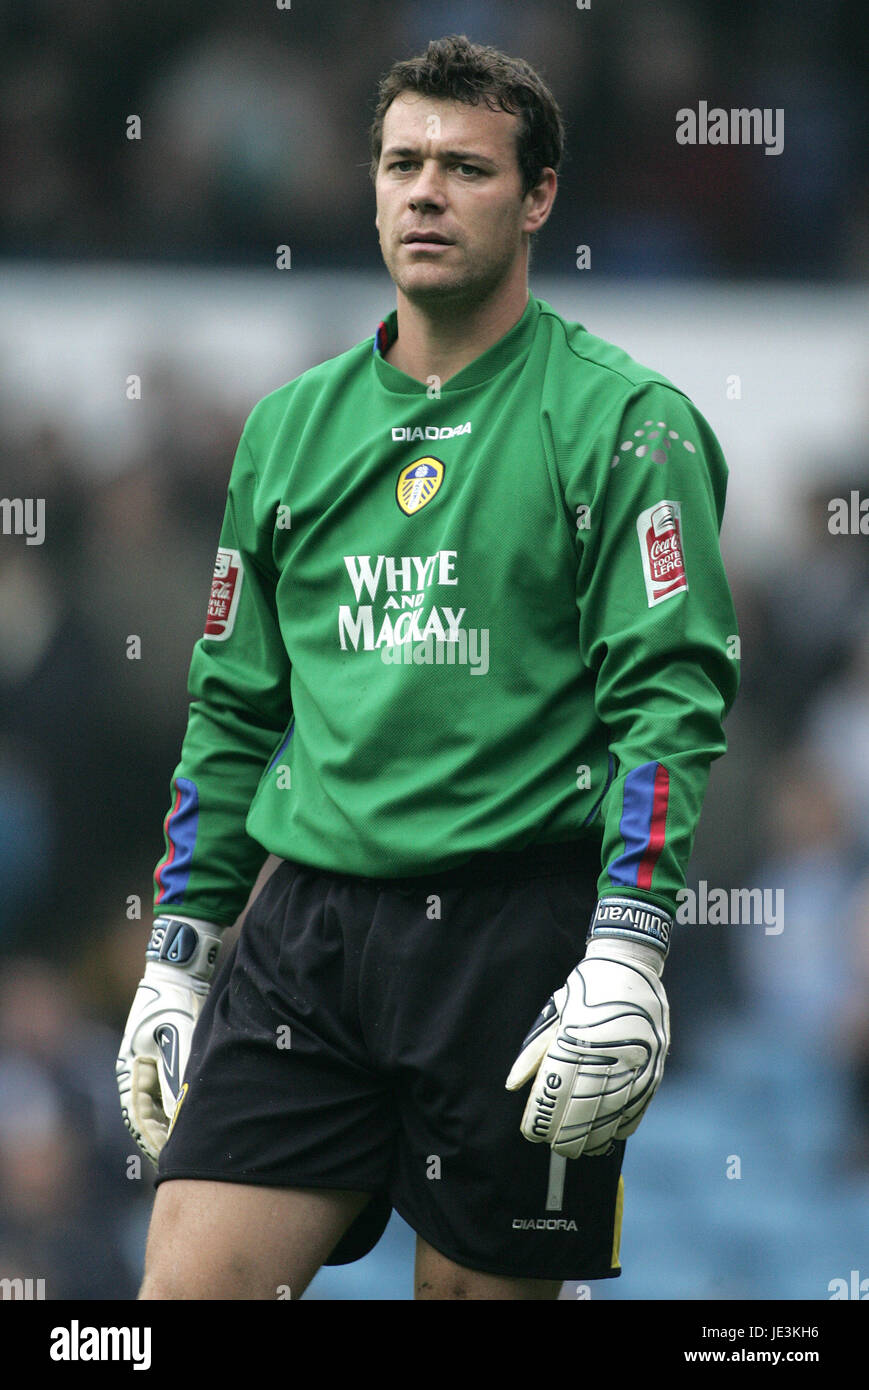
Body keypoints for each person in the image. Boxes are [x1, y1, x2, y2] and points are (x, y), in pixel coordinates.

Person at [117, 34, 739, 1301]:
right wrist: (178, 949)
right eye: (401, 162)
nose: (423, 192)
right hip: (309, 933)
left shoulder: (626, 423)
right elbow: (233, 709)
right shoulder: (287, 429)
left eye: (464, 168)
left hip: (519, 938)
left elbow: (669, 706)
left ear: (538, 196)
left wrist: (627, 946)